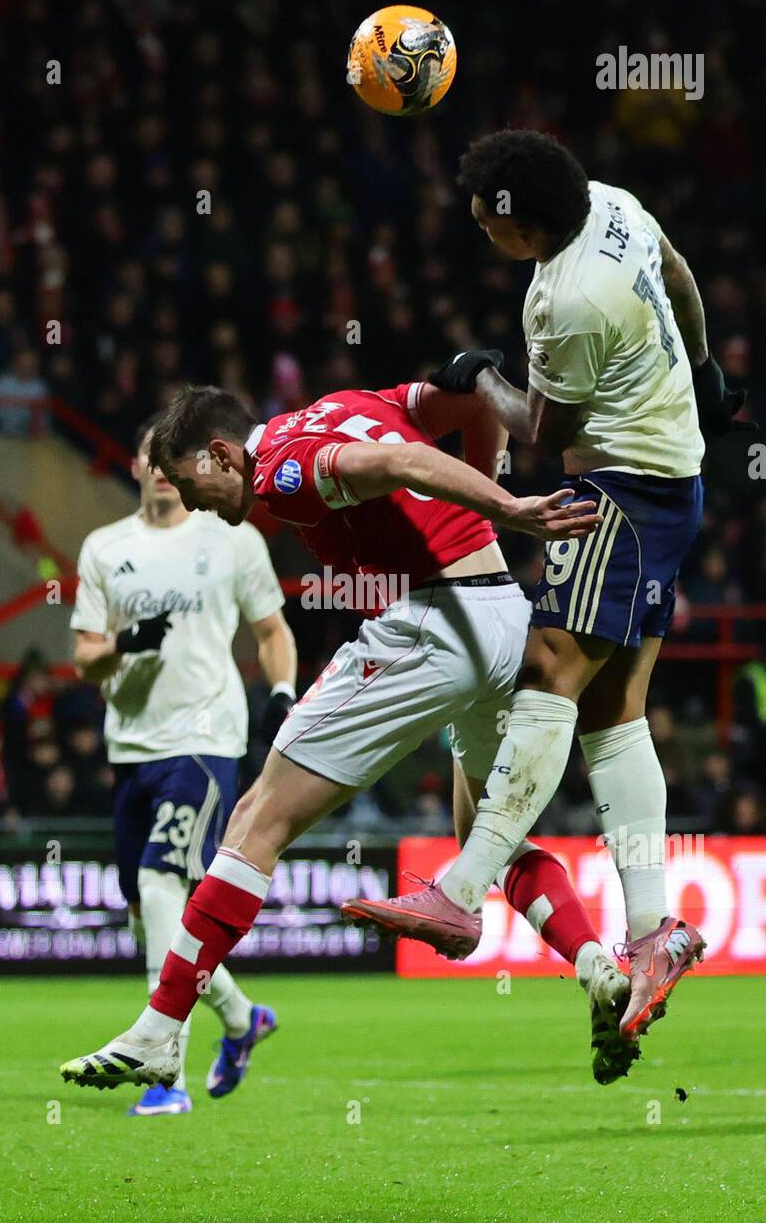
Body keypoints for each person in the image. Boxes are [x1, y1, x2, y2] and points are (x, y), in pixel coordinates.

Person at [61, 373, 644, 1095]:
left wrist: (509, 506)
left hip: (436, 621)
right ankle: (596, 967)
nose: (189, 503)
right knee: (484, 837)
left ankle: (160, 1027)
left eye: (186, 483)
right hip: (501, 615)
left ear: (220, 454)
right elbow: (468, 401)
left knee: (257, 820)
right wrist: (493, 475)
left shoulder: (279, 469)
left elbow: (400, 463)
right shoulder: (348, 404)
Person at [345, 129, 751, 1042]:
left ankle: (462, 889)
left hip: (618, 492)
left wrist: (477, 374)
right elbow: (680, 274)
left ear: (515, 223)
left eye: (485, 222)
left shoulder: (566, 302)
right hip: (672, 480)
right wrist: (705, 367)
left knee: (546, 674)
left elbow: (537, 428)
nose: (481, 235)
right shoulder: (613, 202)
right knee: (616, 713)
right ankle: (653, 931)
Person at [69, 415, 297, 1115]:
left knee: (162, 878)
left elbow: (271, 630)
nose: (162, 468)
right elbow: (84, 657)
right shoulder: (105, 548)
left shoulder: (231, 537)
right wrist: (124, 644)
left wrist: (282, 694)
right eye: (151, 456)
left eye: (175, 458)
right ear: (138, 466)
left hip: (205, 739)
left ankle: (165, 1074)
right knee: (148, 917)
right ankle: (239, 1017)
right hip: (131, 743)